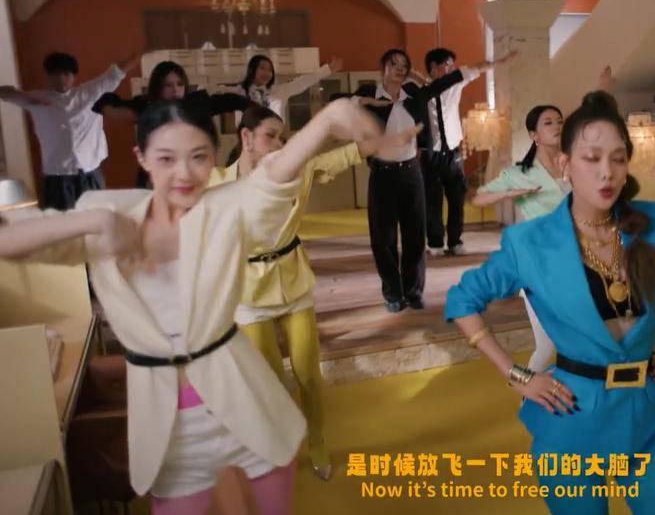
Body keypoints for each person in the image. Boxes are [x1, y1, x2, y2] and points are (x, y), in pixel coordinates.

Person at [0, 97, 378, 514]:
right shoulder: (106, 213)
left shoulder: (224, 207)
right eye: (166, 158)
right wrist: (96, 223)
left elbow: (274, 176)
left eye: (198, 157)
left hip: (247, 413)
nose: (183, 173)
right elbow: (10, 241)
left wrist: (329, 118)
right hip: (170, 434)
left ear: (214, 157)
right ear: (141, 157)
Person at [445, 91, 655, 514]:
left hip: (644, 416)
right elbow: (462, 301)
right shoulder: (531, 243)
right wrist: (517, 375)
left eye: (618, 158)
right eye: (591, 158)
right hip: (571, 415)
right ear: (565, 164)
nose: (607, 171)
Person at [208, 104, 419, 480]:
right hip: (248, 291)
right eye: (270, 136)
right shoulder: (217, 182)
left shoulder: (298, 169)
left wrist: (388, 141)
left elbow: (345, 155)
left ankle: (318, 441)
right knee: (270, 377)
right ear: (246, 137)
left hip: (293, 282)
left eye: (283, 138)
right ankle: (280, 442)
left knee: (308, 373)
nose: (279, 145)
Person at [354, 48, 478, 313]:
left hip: (411, 171)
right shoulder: (369, 93)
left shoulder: (413, 94)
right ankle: (392, 293)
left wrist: (477, 68)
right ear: (383, 68)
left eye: (404, 65)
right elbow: (337, 101)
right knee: (384, 239)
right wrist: (363, 101)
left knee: (414, 236)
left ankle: (413, 291)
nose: (400, 68)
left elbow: (443, 83)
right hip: (382, 173)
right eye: (394, 64)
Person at [471, 104, 567, 371]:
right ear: (534, 135)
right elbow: (478, 198)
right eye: (548, 122)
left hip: (580, 262)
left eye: (559, 121)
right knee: (547, 346)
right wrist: (509, 193)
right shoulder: (520, 173)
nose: (557, 126)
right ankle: (527, 389)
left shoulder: (574, 164)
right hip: (540, 265)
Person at [0, 51, 140, 209]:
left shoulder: (91, 92)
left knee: (96, 218)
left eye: (66, 74)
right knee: (60, 221)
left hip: (90, 173)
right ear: (47, 76)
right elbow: (5, 93)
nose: (61, 79)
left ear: (74, 75)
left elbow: (118, 71)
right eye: (55, 74)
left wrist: (142, 52)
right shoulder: (37, 99)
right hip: (57, 178)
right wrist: (22, 95)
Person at [418, 47, 517, 256]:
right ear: (434, 67)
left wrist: (500, 62)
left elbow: (477, 67)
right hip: (430, 154)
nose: (451, 68)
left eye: (452, 65)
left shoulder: (456, 82)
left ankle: (455, 242)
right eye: (447, 64)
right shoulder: (420, 90)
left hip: (453, 153)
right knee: (432, 202)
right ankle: (435, 243)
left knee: (457, 200)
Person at [93, 61, 253, 188]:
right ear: (158, 88)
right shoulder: (146, 107)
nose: (175, 89)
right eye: (168, 85)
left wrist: (253, 113)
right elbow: (106, 104)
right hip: (156, 177)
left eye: (179, 84)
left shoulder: (194, 104)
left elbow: (230, 101)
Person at [212, 54, 342, 119]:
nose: (266, 73)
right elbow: (214, 91)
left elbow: (302, 82)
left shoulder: (279, 91)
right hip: (247, 146)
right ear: (252, 69)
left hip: (274, 144)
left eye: (270, 70)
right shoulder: (238, 92)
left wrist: (327, 69)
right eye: (262, 68)